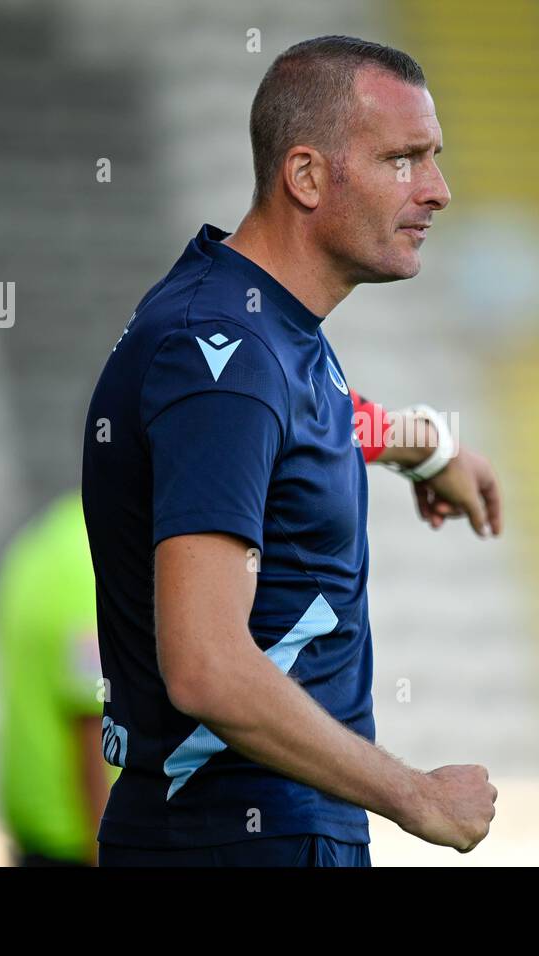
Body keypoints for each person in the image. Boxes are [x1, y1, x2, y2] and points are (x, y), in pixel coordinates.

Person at [82, 35, 504, 867]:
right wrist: (416, 796)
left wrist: (426, 448)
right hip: (234, 841)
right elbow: (204, 666)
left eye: (436, 157)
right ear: (305, 177)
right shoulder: (225, 354)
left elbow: (322, 421)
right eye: (402, 159)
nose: (438, 190)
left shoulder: (259, 328)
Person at [0, 492, 114, 866]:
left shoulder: (43, 539)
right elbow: (91, 724)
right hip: (79, 840)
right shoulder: (91, 559)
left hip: (32, 831)